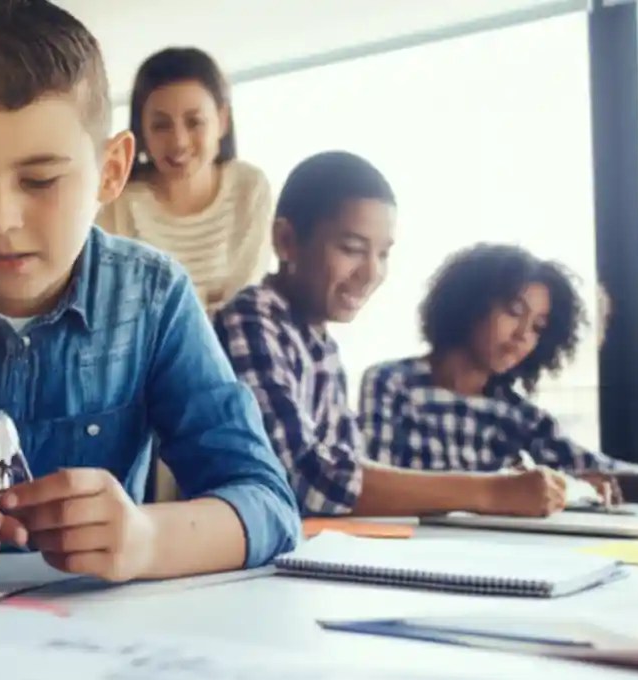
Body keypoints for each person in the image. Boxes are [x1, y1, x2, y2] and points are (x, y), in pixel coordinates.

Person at [0, 0, 300, 584]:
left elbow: (268, 502)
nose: (2, 219)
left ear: (111, 172)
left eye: (39, 180)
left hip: (99, 649)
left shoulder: (153, 297)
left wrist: (147, 538)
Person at [213, 152, 571, 518]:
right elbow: (310, 479)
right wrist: (491, 491)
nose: (371, 273)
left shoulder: (321, 345)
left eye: (383, 254)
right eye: (352, 249)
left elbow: (350, 467)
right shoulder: (252, 320)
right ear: (286, 240)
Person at [361, 244, 638, 501]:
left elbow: (598, 469)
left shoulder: (517, 412)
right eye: (514, 312)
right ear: (469, 304)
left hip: (497, 552)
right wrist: (504, 489)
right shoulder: (392, 383)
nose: (523, 335)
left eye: (538, 328)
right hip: (411, 551)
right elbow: (373, 486)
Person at [97, 47, 272, 315]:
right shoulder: (118, 204)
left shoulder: (249, 187)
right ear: (141, 131)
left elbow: (243, 304)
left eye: (194, 122)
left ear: (222, 121)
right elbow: (122, 312)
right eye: (161, 125)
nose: (178, 142)